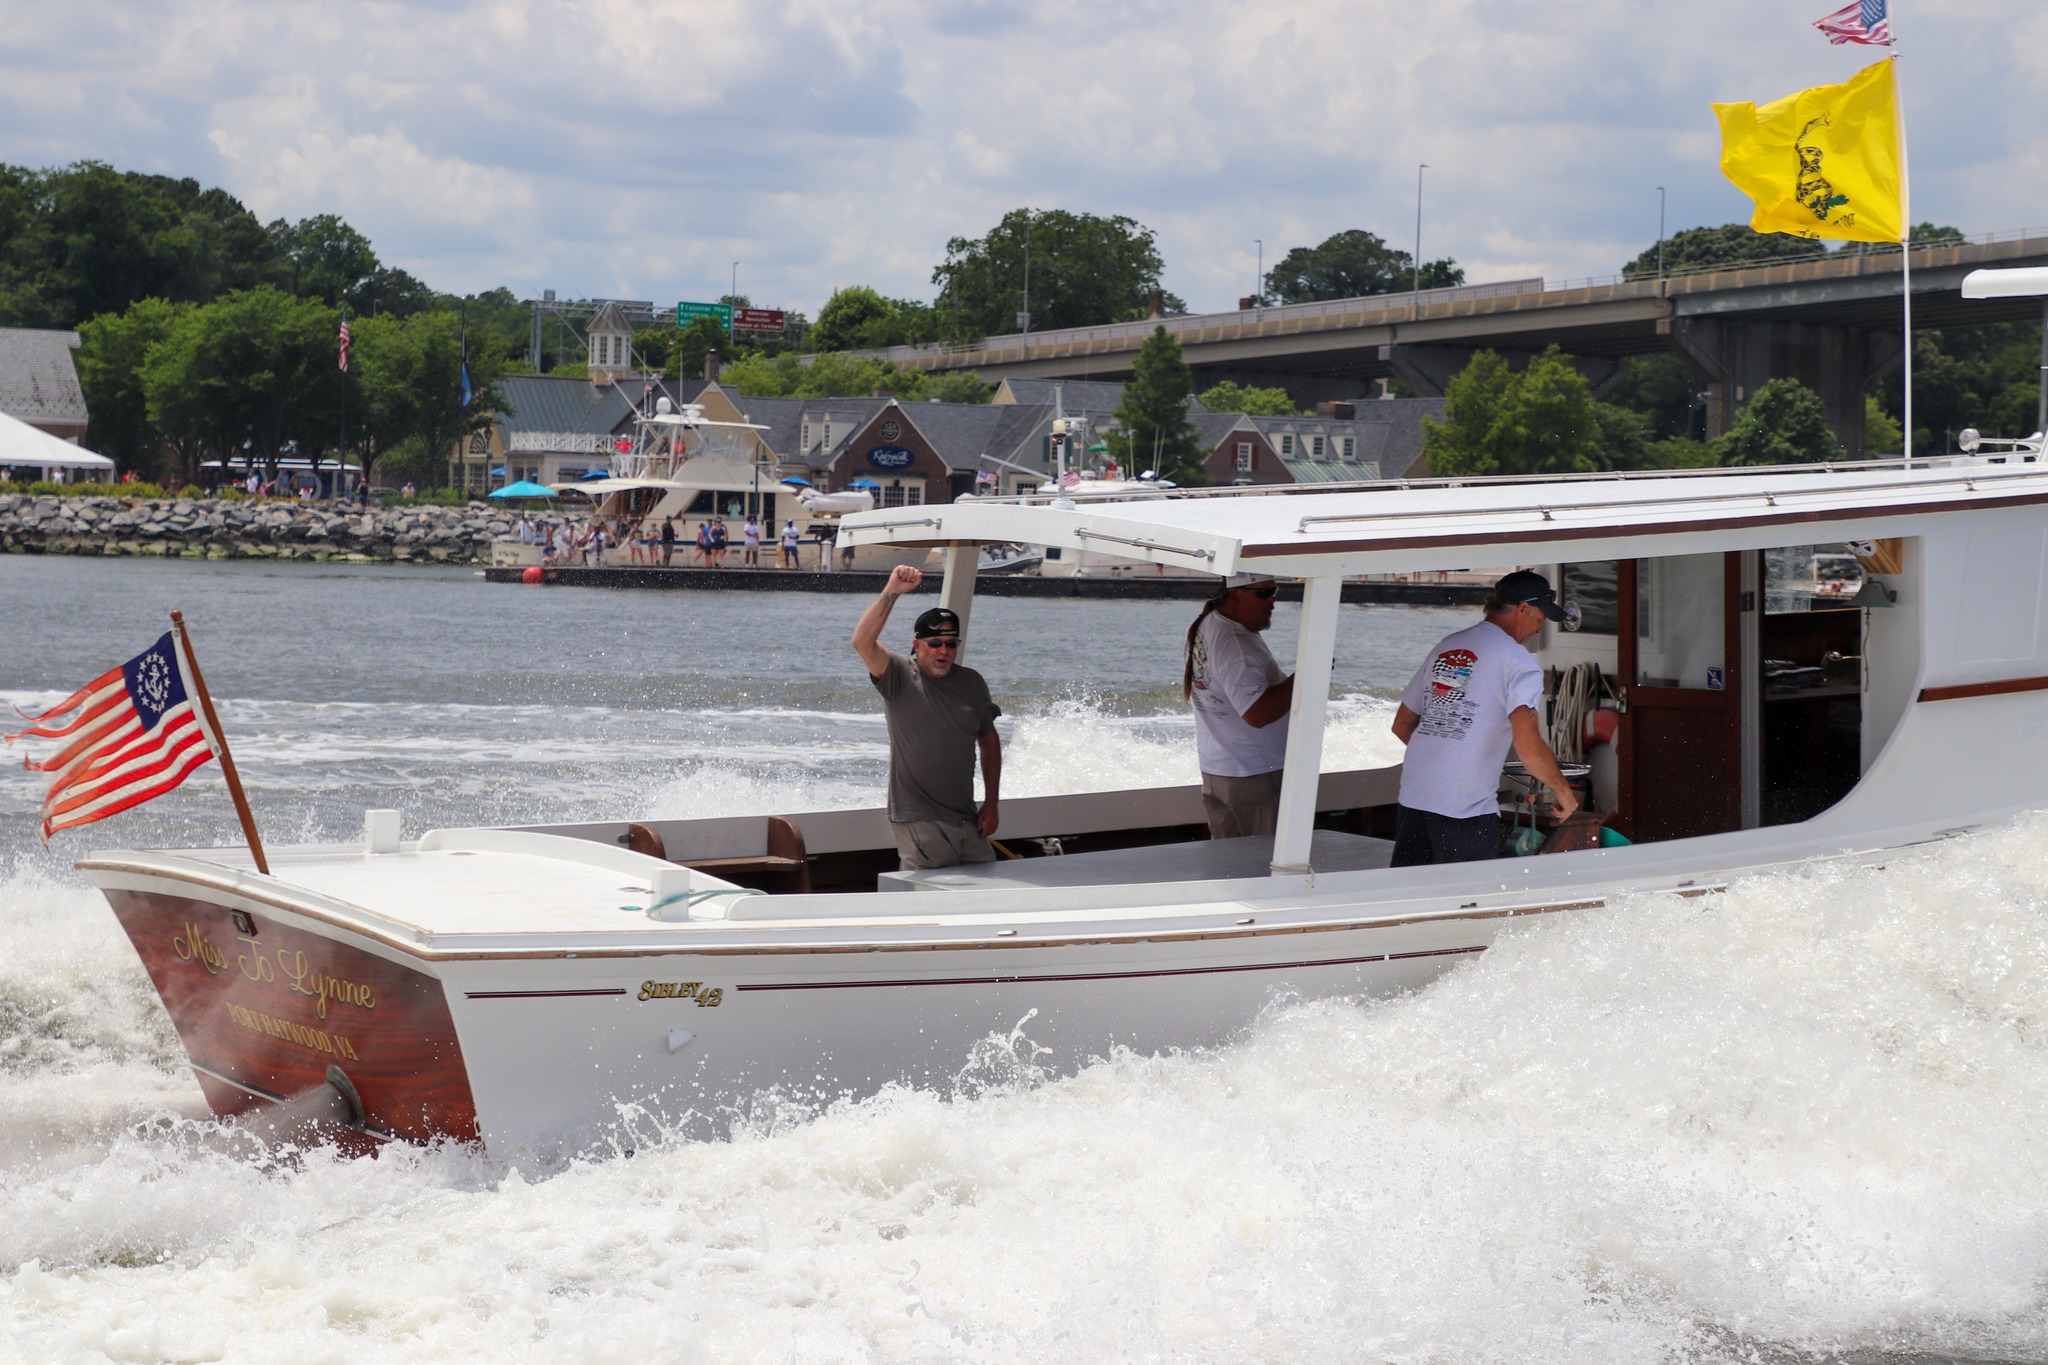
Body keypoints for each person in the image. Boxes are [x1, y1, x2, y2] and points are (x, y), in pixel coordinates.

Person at [1389, 569, 1580, 867]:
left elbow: (1401, 725)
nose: (1539, 628)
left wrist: (1449, 757)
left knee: (1411, 891)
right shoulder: (1519, 664)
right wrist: (1563, 791)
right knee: (1469, 895)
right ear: (1523, 609)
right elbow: (1528, 746)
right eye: (1540, 618)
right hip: (1464, 809)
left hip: (1414, 796)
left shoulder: (1448, 645)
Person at [852, 565, 1003, 870]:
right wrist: (893, 590)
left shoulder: (972, 683)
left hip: (967, 819)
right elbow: (862, 642)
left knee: (988, 888)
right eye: (935, 643)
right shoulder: (897, 675)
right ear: (916, 644)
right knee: (932, 894)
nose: (943, 651)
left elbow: (988, 739)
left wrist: (991, 803)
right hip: (919, 820)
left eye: (951, 644)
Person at [1184, 572, 1295, 839]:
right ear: (1235, 596)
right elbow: (1257, 713)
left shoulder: (1207, 623)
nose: (1272, 600)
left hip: (1220, 770)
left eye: (1274, 591)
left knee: (1229, 860)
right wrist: (1308, 674)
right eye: (1263, 593)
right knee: (1267, 860)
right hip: (1255, 774)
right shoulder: (1238, 646)